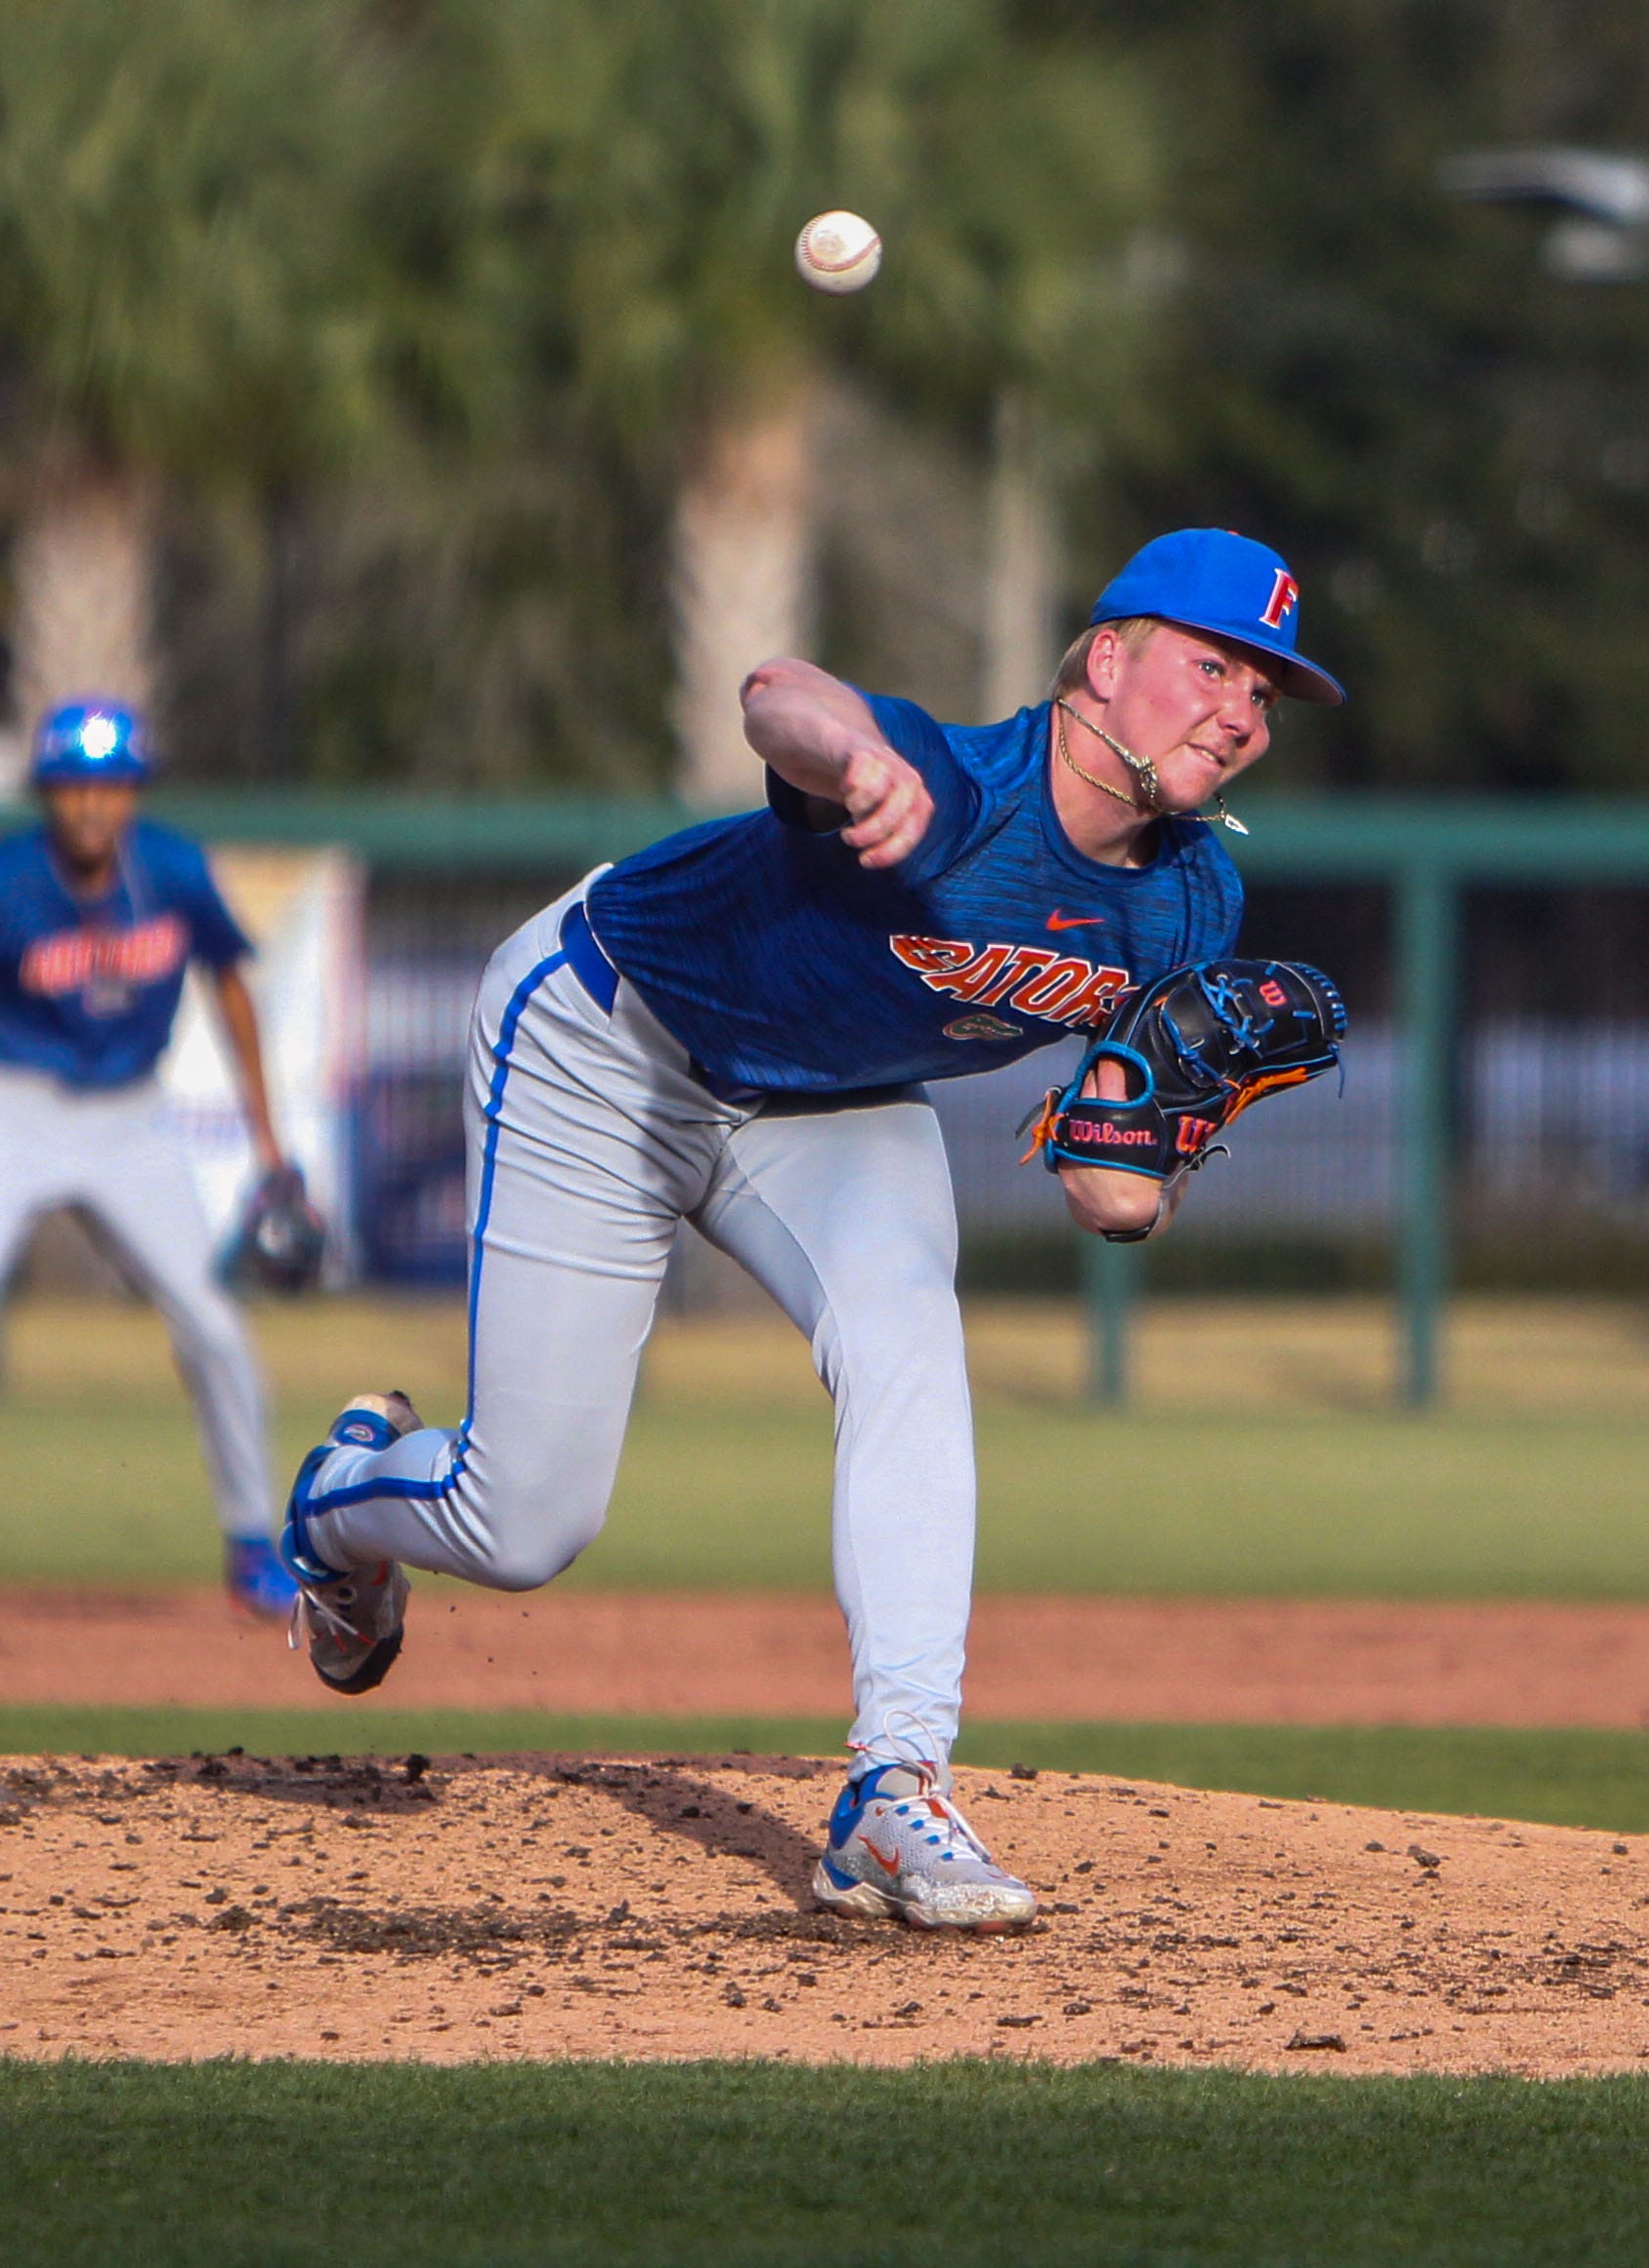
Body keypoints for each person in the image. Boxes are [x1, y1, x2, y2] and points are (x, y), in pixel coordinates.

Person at [281, 529, 1344, 1931]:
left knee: (910, 1338)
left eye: (1265, 693)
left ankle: (894, 1789)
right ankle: (336, 1508)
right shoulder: (964, 785)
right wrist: (858, 761)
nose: (1240, 712)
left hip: (829, 1104)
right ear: (1107, 658)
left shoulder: (1192, 901)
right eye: (1213, 667)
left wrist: (1159, 1147)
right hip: (610, 1042)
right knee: (524, 1518)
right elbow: (779, 693)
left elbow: (1106, 1192)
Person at [0, 700, 299, 1624]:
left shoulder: (176, 870)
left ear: (132, 795)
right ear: (46, 793)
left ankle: (251, 1549)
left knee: (213, 1322)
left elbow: (230, 986)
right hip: (12, 1108)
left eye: (109, 787)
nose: (90, 807)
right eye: (74, 786)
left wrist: (269, 1144)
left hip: (133, 1117)